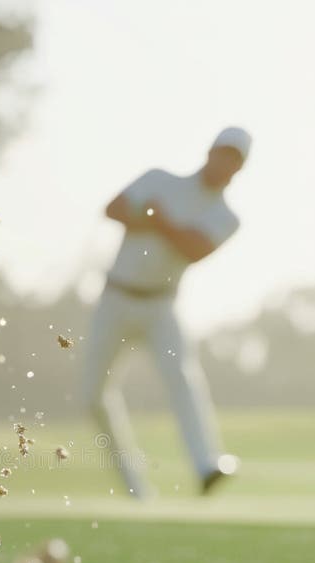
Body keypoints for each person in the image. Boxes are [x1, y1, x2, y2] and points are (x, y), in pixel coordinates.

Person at [83, 126, 251, 498]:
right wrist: (167, 225)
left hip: (161, 306)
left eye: (234, 160)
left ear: (239, 169)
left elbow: (194, 249)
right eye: (222, 153)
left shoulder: (226, 216)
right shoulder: (160, 178)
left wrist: (157, 219)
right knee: (92, 396)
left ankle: (207, 465)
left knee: (182, 380)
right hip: (115, 299)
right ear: (209, 151)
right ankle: (134, 486)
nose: (225, 163)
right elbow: (114, 209)